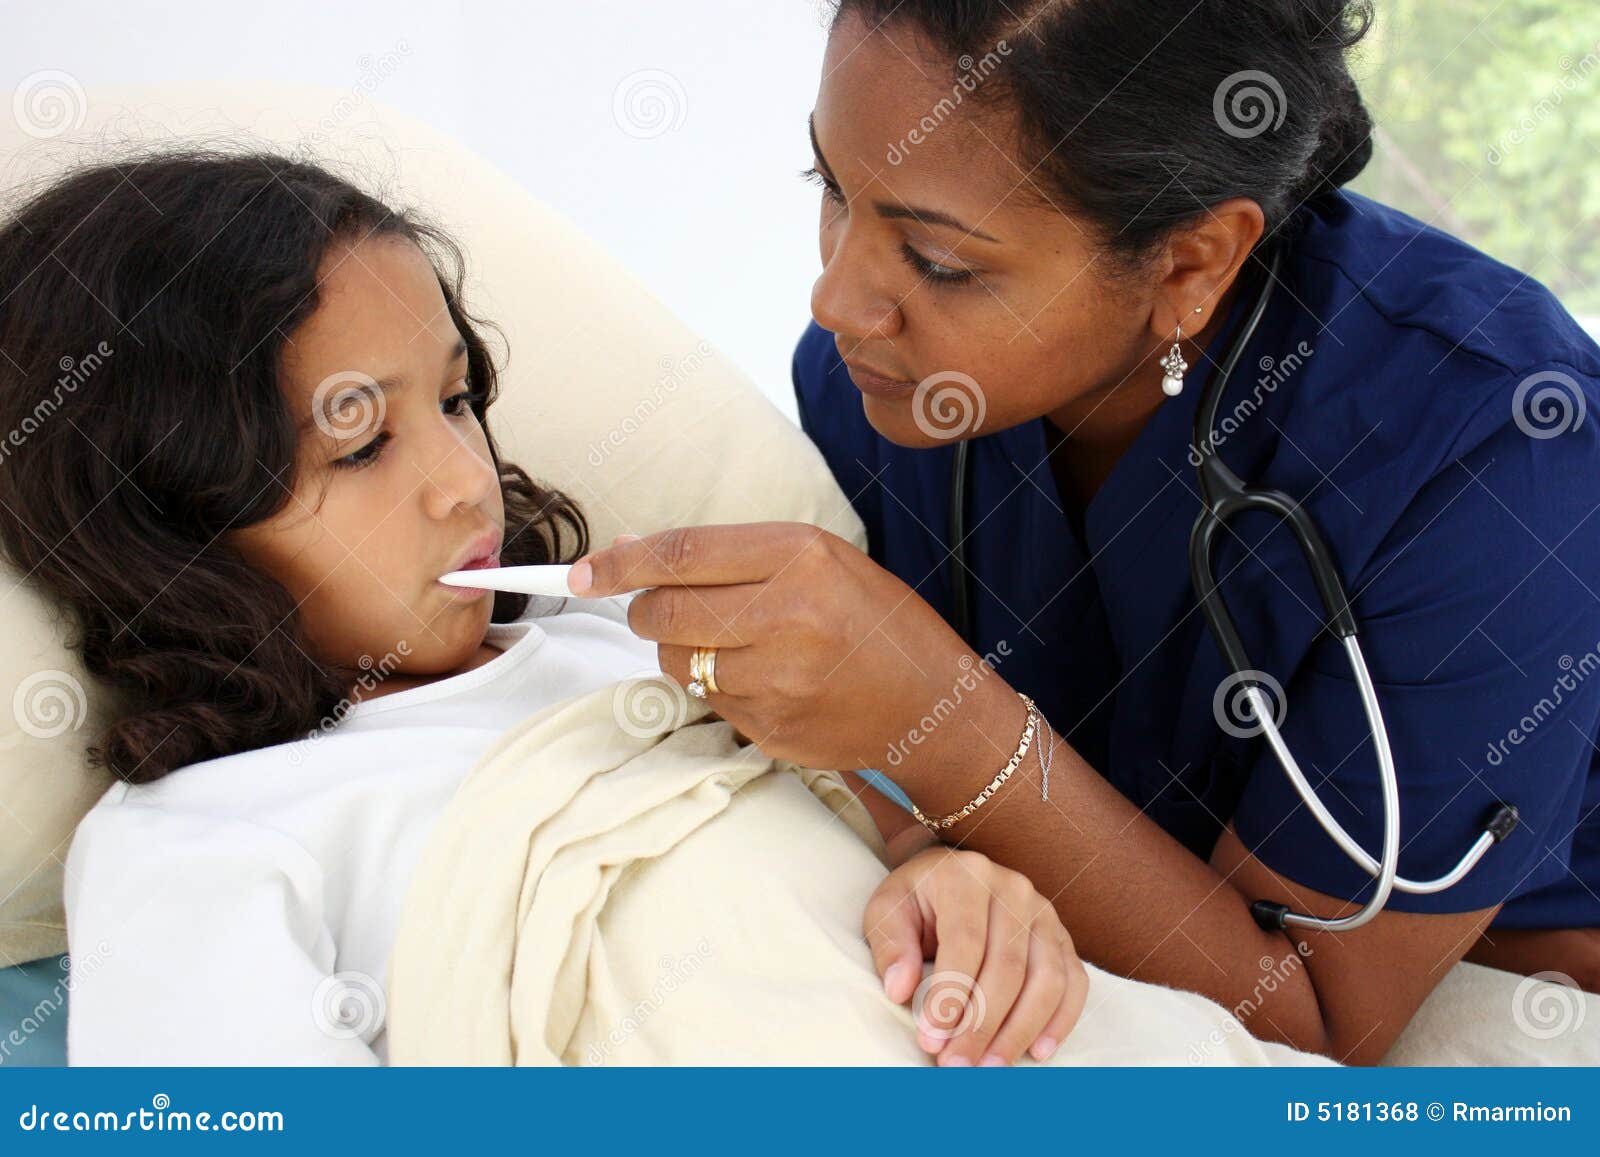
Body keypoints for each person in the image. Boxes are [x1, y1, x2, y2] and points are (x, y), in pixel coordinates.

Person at [564, 0, 1600, 1063]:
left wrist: (942, 723)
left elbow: (1315, 1018)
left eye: (938, 260)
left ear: (1190, 266)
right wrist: (924, 839)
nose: (835, 299)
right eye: (829, 185)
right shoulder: (872, 389)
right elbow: (889, 786)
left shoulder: (1493, 442)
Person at [0, 151, 1085, 1066]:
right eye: (361, 444)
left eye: (455, 398)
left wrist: (949, 883)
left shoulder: (637, 644)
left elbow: (884, 845)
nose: (466, 479)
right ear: (174, 530)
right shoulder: (198, 843)